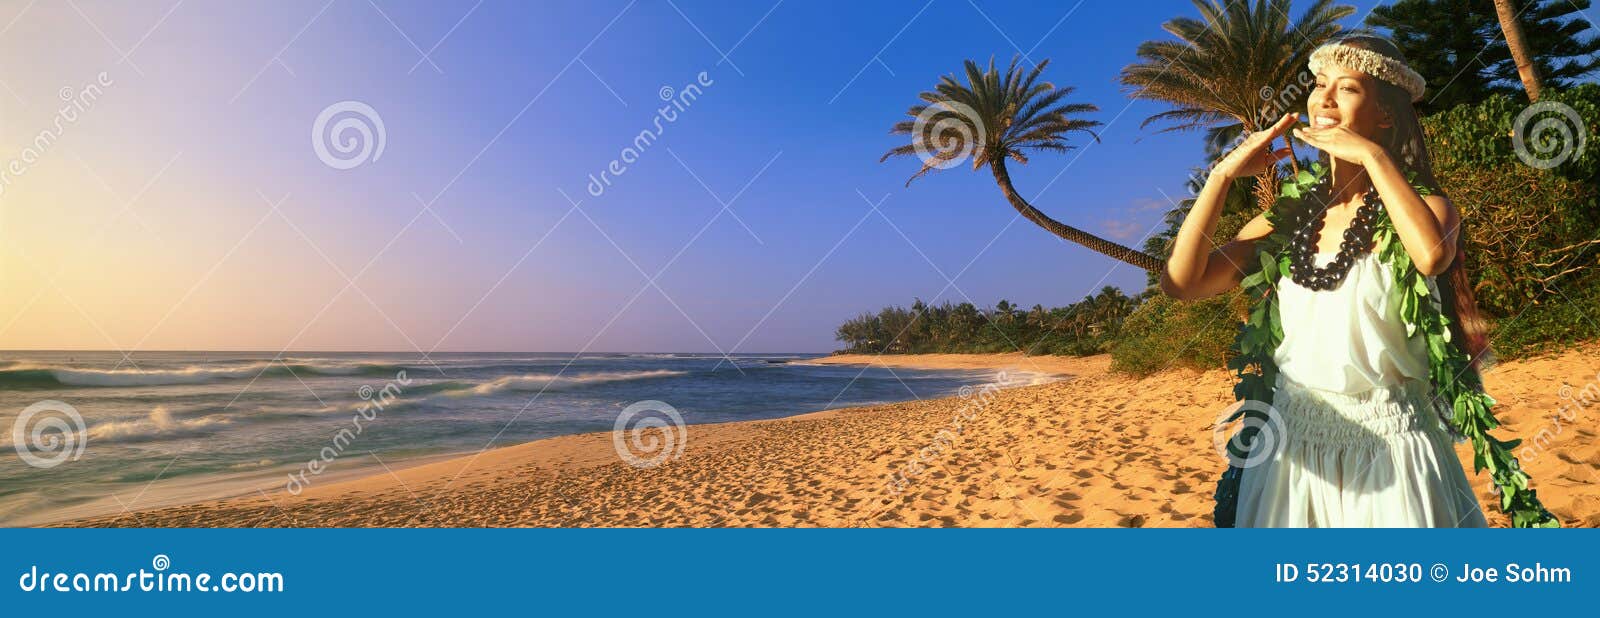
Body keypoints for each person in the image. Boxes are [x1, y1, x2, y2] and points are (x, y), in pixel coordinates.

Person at [1160, 35, 1487, 527]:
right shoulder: (1287, 218)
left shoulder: (1431, 210)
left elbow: (1431, 255)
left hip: (1394, 449)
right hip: (1295, 448)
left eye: (1348, 88)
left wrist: (1375, 159)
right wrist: (1222, 176)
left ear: (1386, 115)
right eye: (1318, 85)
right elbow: (1182, 283)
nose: (1325, 99)